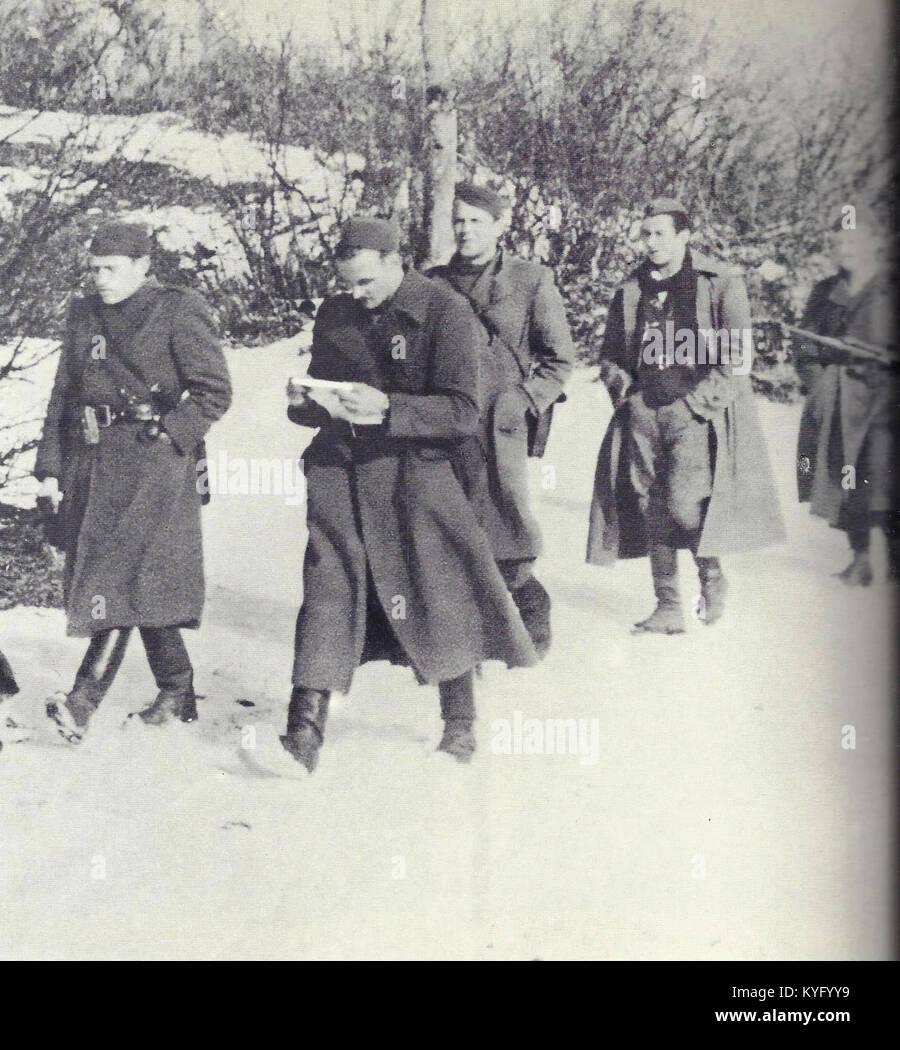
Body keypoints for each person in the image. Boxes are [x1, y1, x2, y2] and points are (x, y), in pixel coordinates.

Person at [251, 216, 538, 776]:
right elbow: (321, 392)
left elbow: (462, 411)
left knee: (437, 588)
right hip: (339, 473)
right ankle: (302, 736)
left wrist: (391, 410)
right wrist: (305, 399)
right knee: (327, 590)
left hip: (416, 477)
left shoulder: (444, 310)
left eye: (365, 282)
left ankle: (460, 725)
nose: (355, 295)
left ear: (393, 261)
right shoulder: (335, 312)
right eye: (347, 283)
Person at [36, 221, 231, 742]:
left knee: (114, 574)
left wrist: (171, 434)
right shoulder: (84, 313)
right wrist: (50, 469)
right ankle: (177, 688)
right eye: (94, 269)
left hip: (154, 464)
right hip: (94, 462)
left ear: (144, 267)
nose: (101, 279)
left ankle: (82, 702)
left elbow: (214, 390)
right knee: (140, 579)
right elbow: (63, 393)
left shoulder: (176, 308)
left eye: (112, 269)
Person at [587, 198, 784, 631]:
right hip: (643, 410)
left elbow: (736, 358)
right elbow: (610, 356)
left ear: (683, 235)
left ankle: (711, 574)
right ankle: (668, 606)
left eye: (660, 233)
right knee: (646, 504)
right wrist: (626, 394)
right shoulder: (631, 289)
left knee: (685, 505)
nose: (651, 242)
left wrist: (697, 405)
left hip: (694, 411)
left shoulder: (720, 282)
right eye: (646, 233)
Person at [428, 182, 575, 656]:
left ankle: (531, 602)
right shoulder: (431, 283)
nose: (465, 229)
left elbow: (559, 361)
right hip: (444, 424)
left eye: (476, 221)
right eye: (459, 220)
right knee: (446, 524)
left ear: (498, 225)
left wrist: (524, 400)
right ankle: (462, 633)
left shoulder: (531, 280)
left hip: (498, 427)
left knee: (504, 525)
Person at [794, 221, 897, 584]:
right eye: (839, 242)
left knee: (886, 475)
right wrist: (818, 383)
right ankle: (862, 557)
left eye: (854, 241)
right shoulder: (826, 291)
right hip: (841, 399)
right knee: (849, 476)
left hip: (888, 400)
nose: (846, 249)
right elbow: (804, 344)